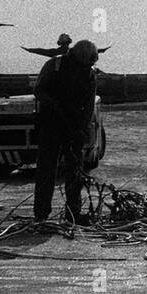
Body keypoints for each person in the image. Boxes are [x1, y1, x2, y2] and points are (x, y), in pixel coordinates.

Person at [32, 39, 99, 223]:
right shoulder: (54, 64)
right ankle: (41, 214)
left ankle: (73, 213)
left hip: (74, 128)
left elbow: (89, 104)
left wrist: (81, 129)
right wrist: (54, 104)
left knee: (75, 173)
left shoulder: (90, 73)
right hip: (51, 125)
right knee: (46, 170)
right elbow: (38, 90)